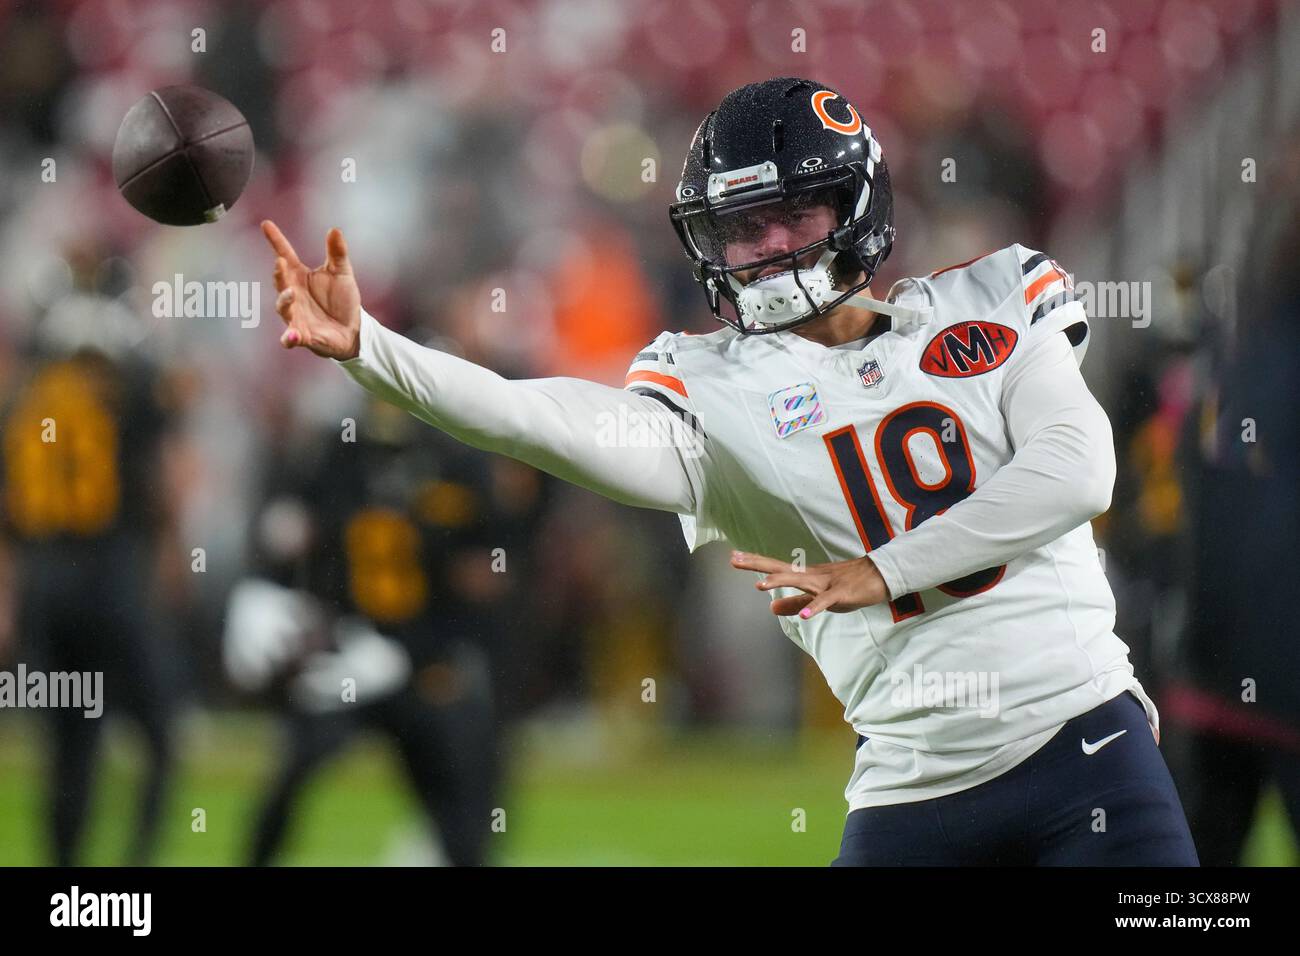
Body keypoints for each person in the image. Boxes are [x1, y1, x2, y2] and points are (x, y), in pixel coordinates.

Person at [260, 77, 1197, 866]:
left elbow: (1079, 474)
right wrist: (372, 351)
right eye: (741, 227)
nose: (766, 247)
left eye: (792, 213)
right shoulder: (711, 388)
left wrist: (880, 570)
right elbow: (535, 419)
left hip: (1086, 745)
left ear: (856, 206)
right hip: (914, 790)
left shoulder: (992, 301)